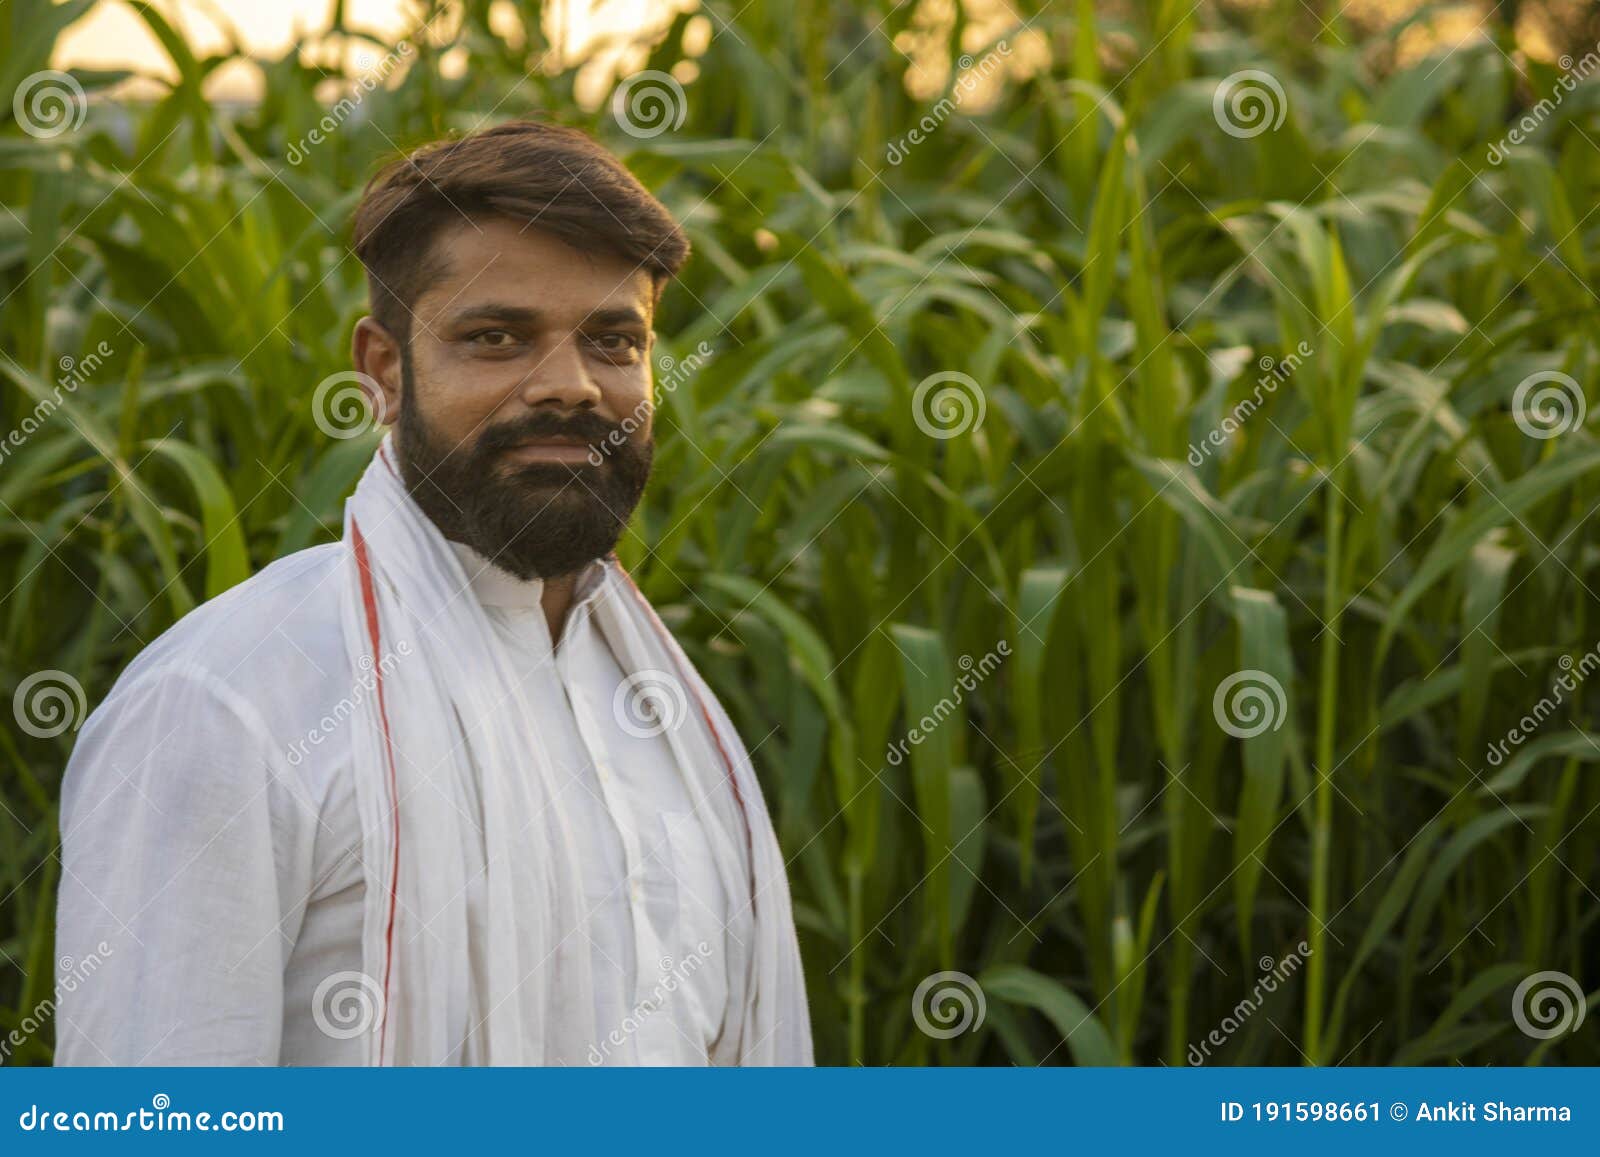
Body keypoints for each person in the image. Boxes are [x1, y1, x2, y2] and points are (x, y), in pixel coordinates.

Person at [53, 120, 812, 1066]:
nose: (571, 386)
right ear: (383, 369)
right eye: (496, 337)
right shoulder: (228, 704)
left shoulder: (663, 714)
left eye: (615, 341)